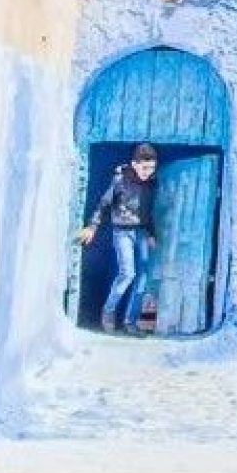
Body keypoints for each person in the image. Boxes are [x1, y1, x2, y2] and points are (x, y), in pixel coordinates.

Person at [76, 143, 159, 335]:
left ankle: (131, 322)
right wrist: (92, 226)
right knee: (127, 274)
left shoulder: (151, 183)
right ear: (134, 164)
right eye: (145, 168)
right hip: (122, 232)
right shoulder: (120, 180)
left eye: (152, 168)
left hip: (141, 233)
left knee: (143, 278)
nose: (148, 172)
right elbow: (103, 205)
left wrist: (152, 234)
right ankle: (108, 312)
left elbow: (148, 210)